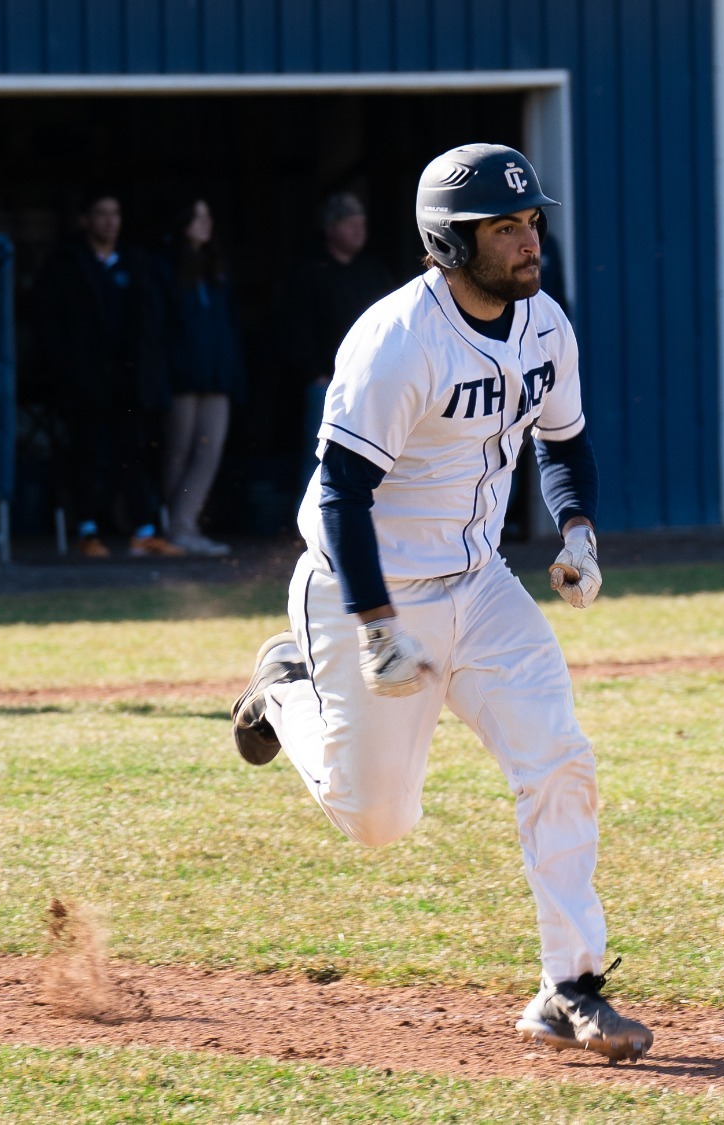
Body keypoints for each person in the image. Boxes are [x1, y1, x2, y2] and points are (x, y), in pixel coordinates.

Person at [228, 145, 650, 1062]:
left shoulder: (544, 323)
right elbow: (339, 490)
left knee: (559, 760)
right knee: (377, 821)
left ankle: (569, 983)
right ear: (448, 242)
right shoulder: (397, 340)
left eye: (531, 220)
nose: (529, 238)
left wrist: (577, 532)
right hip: (363, 585)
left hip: (482, 583)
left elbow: (563, 440)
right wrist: (376, 626)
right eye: (505, 226)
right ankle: (282, 693)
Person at [31, 190, 175, 558]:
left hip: (129, 382)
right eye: (101, 213)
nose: (111, 221)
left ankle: (144, 532)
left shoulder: (137, 262)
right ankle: (87, 532)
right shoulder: (64, 265)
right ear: (85, 220)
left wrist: (147, 374)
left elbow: (153, 325)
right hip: (84, 384)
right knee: (87, 456)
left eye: (116, 213)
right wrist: (67, 372)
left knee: (136, 455)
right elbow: (49, 326)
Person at [280, 191, 396, 487]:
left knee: (374, 453)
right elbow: (295, 328)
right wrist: (315, 374)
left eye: (362, 223)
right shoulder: (309, 272)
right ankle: (310, 526)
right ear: (330, 228)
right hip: (326, 383)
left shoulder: (373, 270)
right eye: (349, 223)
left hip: (373, 380)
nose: (359, 230)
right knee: (321, 455)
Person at [159, 198, 242, 557]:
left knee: (209, 451)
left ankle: (184, 524)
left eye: (208, 217)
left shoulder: (216, 268)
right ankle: (174, 526)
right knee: (178, 452)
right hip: (183, 378)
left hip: (215, 377)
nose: (204, 224)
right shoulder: (166, 267)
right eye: (197, 218)